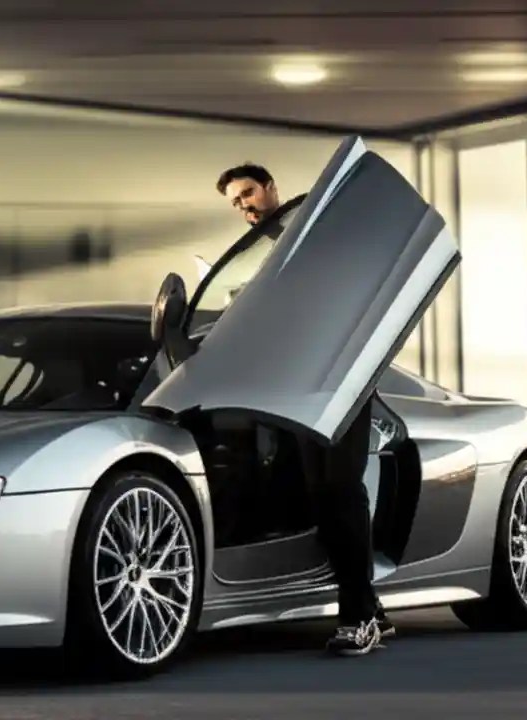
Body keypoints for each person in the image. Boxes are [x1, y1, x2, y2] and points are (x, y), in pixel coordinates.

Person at [215, 163, 395, 657]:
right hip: (297, 385)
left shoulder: (315, 231)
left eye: (248, 193)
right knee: (322, 495)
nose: (244, 206)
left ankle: (359, 618)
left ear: (270, 188)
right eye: (236, 202)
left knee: (341, 490)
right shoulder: (262, 253)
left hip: (341, 378)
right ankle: (371, 609)